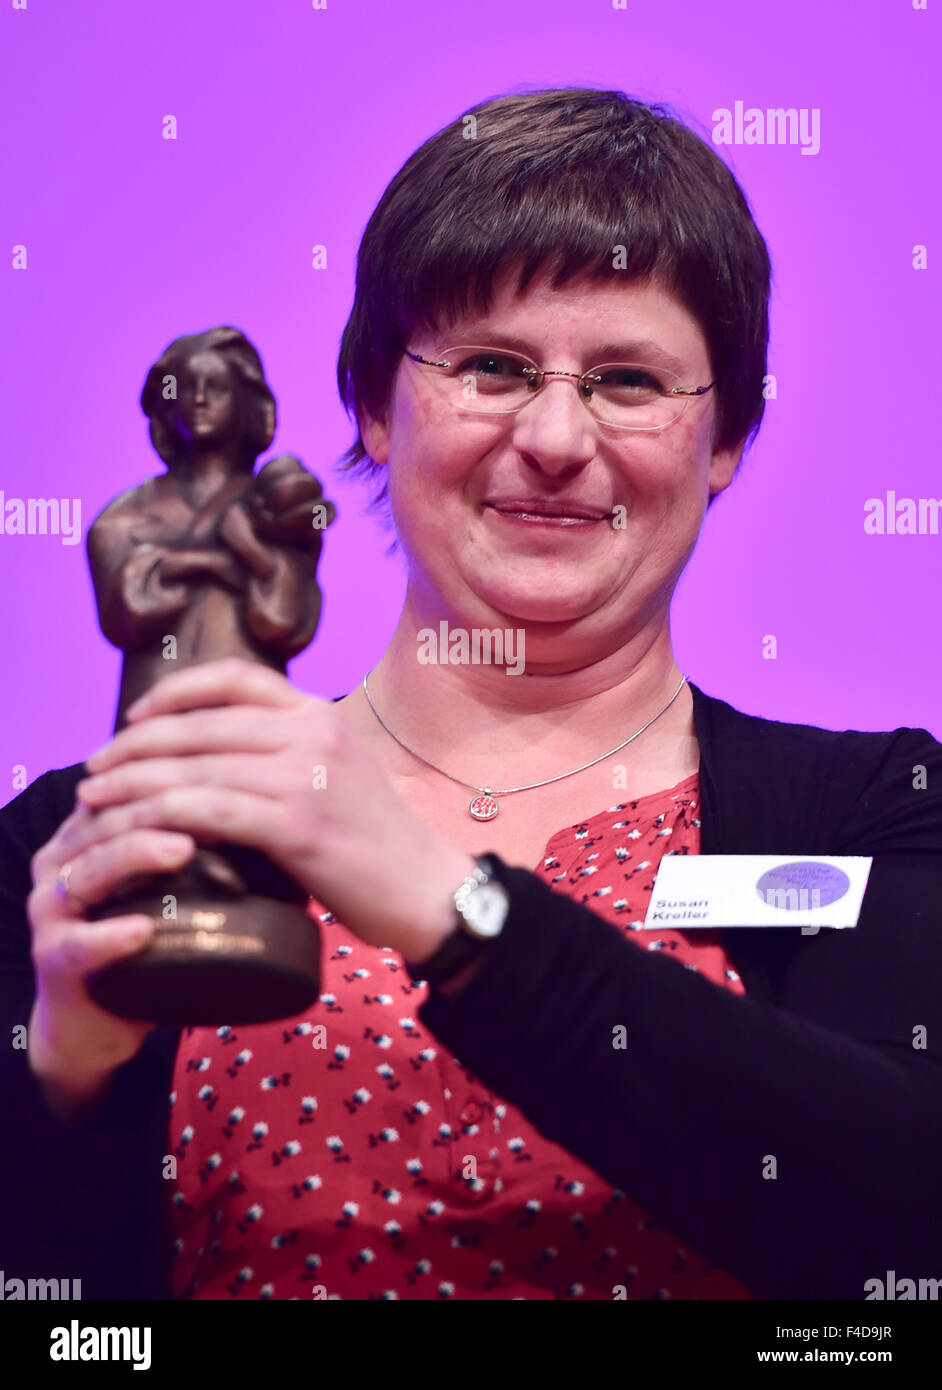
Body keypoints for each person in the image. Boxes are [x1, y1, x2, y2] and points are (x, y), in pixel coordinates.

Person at [3, 85, 942, 1302]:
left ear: (728, 441)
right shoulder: (88, 842)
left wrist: (449, 905)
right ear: (373, 409)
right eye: (492, 366)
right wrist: (72, 1066)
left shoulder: (870, 811)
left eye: (629, 381)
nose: (555, 436)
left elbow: (901, 1220)